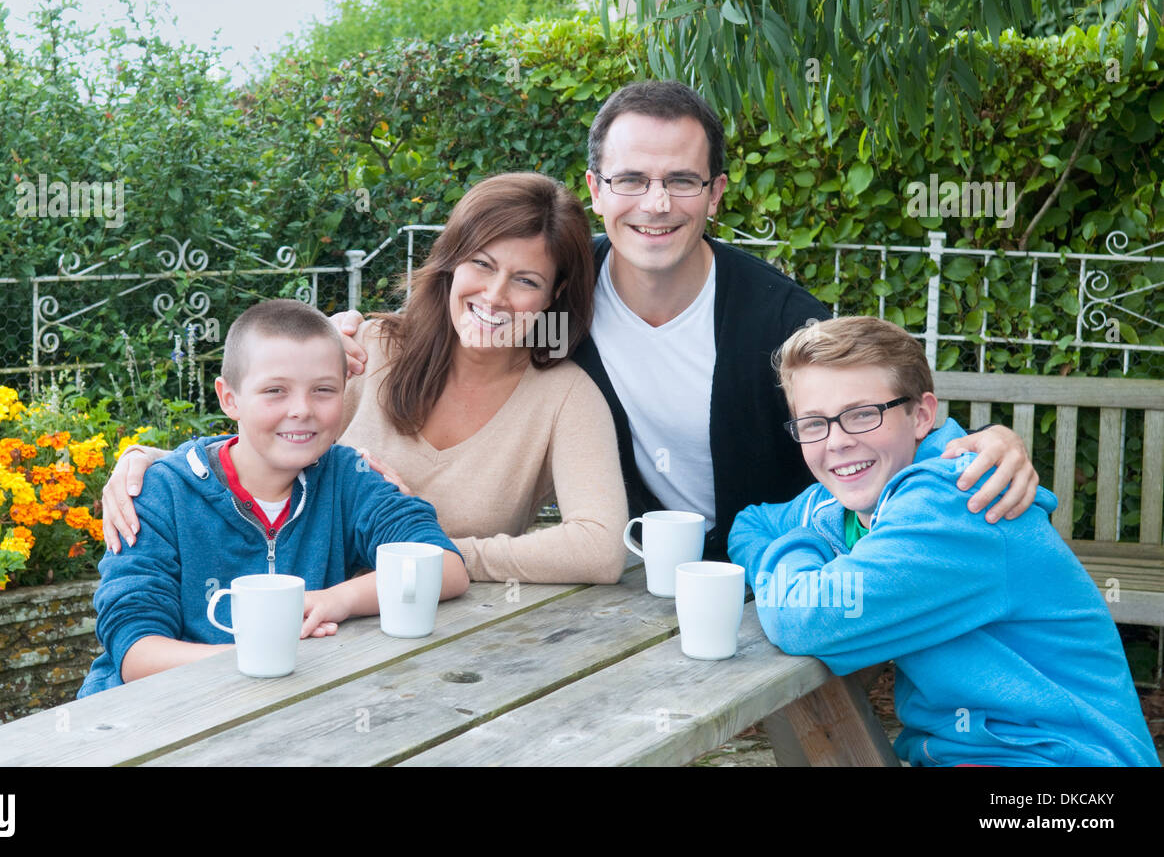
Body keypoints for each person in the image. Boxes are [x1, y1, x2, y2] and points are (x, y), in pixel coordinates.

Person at [338, 81, 1039, 562]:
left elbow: (869, 401)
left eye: (681, 181)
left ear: (716, 194)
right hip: (652, 563)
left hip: (779, 560)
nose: (656, 204)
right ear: (596, 189)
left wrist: (977, 440)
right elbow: (470, 309)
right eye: (632, 180)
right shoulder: (560, 295)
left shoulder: (778, 317)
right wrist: (344, 338)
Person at [100, 173, 629, 585]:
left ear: (555, 295)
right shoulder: (370, 349)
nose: (494, 296)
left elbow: (599, 549)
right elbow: (267, 438)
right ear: (451, 262)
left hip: (447, 634)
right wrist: (158, 465)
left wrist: (432, 557)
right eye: (482, 265)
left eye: (526, 280)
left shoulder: (564, 397)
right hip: (304, 625)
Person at [729, 316, 1158, 766]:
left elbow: (804, 619)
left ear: (922, 415)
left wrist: (801, 556)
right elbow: (752, 524)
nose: (837, 442)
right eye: (814, 423)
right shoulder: (837, 504)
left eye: (862, 414)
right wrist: (807, 545)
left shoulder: (955, 502)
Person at [77, 300, 468, 697]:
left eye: (323, 390)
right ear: (229, 399)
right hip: (150, 720)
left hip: (284, 711)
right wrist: (253, 660)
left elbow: (447, 568)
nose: (301, 410)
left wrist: (339, 599)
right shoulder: (160, 494)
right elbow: (135, 651)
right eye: (275, 391)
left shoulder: (350, 478)